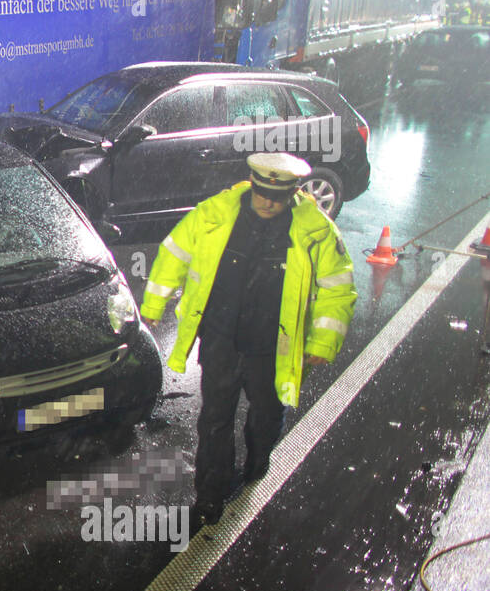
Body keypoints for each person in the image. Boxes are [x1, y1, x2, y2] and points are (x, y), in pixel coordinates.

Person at [139, 153, 357, 525]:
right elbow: (173, 254)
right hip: (222, 340)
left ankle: (257, 463)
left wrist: (321, 343)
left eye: (278, 196)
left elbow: (337, 288)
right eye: (263, 195)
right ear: (252, 186)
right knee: (214, 420)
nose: (269, 203)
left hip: (274, 348)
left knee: (267, 415)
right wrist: (154, 304)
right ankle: (210, 494)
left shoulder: (315, 230)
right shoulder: (213, 215)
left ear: (293, 193)